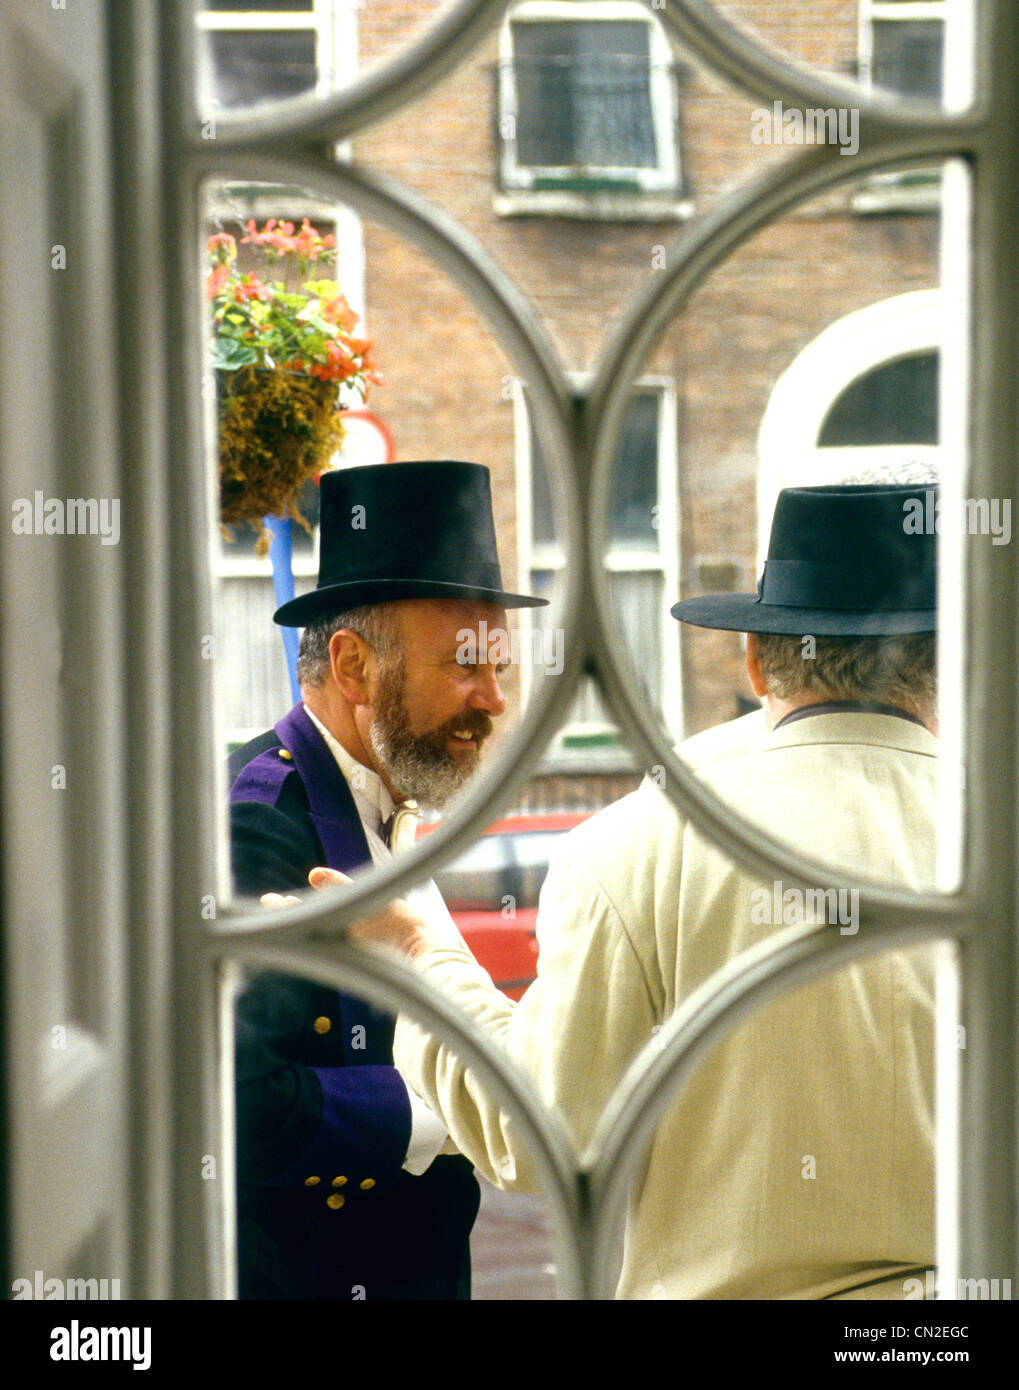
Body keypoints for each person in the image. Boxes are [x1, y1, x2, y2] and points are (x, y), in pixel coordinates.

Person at [327, 483, 940, 1300]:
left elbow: (536, 1132)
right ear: (944, 656)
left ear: (754, 661)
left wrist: (417, 957)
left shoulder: (640, 842)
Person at [228, 459, 546, 1300]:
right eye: (463, 667)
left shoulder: (392, 801)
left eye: (498, 668)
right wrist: (447, 1115)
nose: (493, 701)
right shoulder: (259, 819)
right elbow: (238, 1103)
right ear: (353, 666)